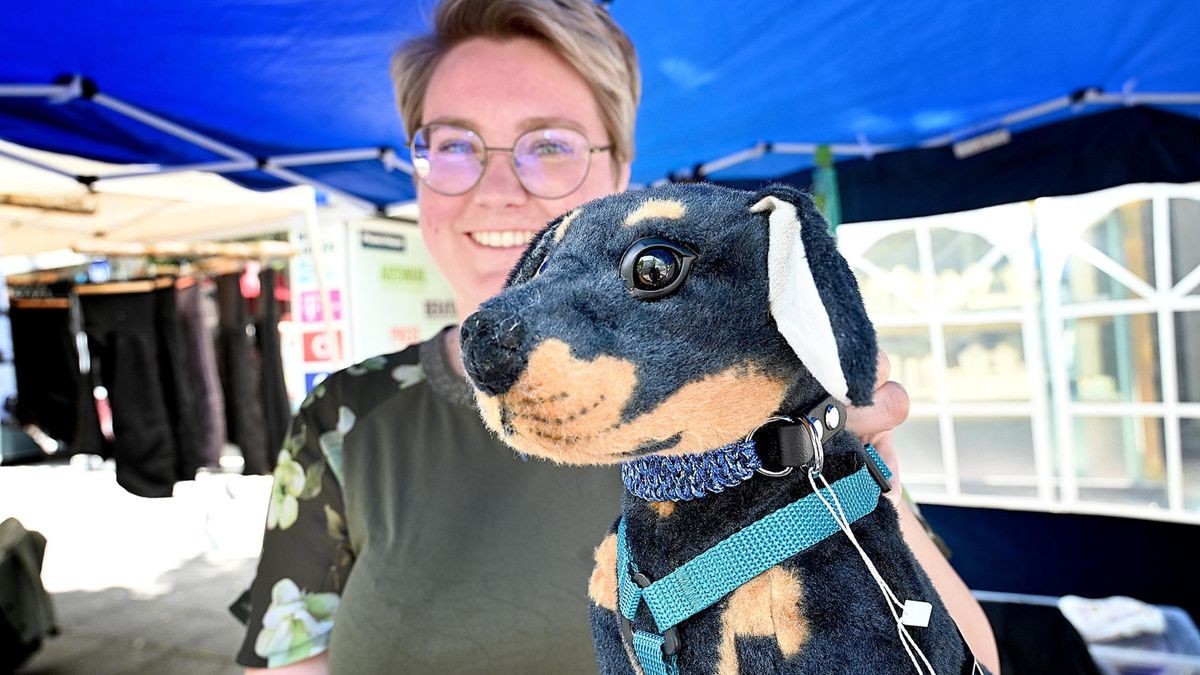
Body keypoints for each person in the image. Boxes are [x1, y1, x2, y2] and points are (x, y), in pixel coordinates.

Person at [238, 1, 999, 673]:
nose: (498, 188)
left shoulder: (750, 393)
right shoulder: (344, 416)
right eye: (454, 145)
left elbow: (965, 658)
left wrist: (855, 475)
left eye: (550, 144)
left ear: (624, 172)